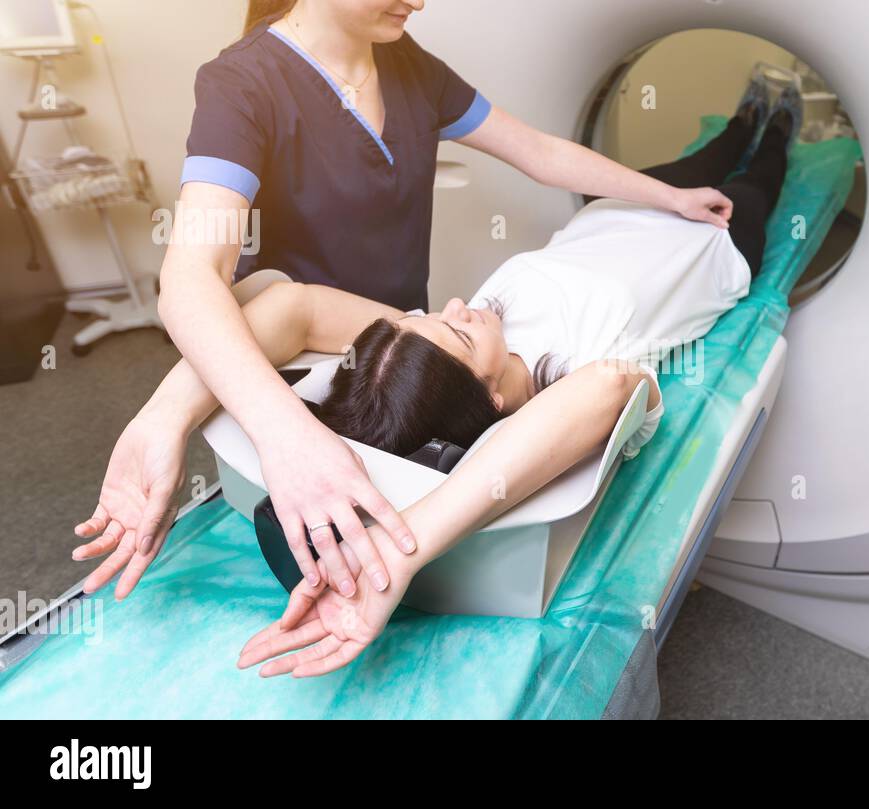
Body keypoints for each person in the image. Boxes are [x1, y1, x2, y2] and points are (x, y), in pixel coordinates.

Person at [91, 90, 797, 677]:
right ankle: (779, 125)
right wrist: (399, 554)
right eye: (457, 328)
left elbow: (290, 308)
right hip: (712, 245)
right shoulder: (567, 387)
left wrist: (165, 418)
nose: (456, 307)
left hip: (616, 213)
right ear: (487, 399)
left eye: (433, 317)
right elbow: (611, 390)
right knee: (759, 170)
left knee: (714, 145)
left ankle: (744, 112)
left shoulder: (431, 347)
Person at [72, 0, 736, 601]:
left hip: (409, 357)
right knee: (260, 295)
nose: (420, 0)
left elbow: (537, 151)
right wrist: (184, 422)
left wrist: (666, 197)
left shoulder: (407, 66)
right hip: (309, 373)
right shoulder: (244, 86)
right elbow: (193, 279)